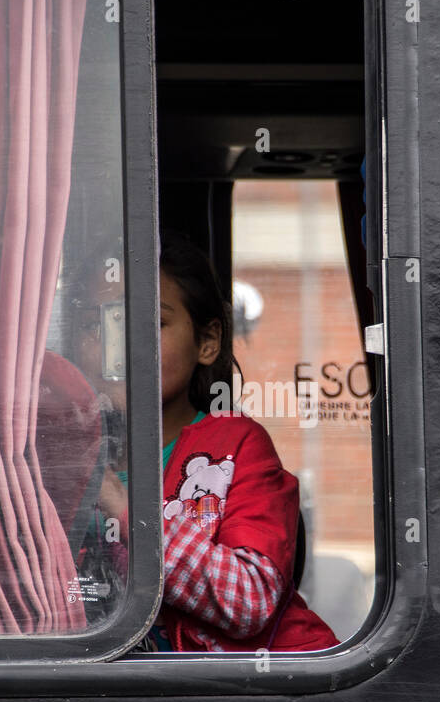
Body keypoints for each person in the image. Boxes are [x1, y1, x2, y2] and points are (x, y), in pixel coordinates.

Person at [125, 232, 338, 653]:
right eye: (102, 323)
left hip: (265, 689)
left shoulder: (238, 444)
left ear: (207, 342)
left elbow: (250, 599)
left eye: (153, 324)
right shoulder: (61, 455)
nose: (123, 343)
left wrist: (124, 512)